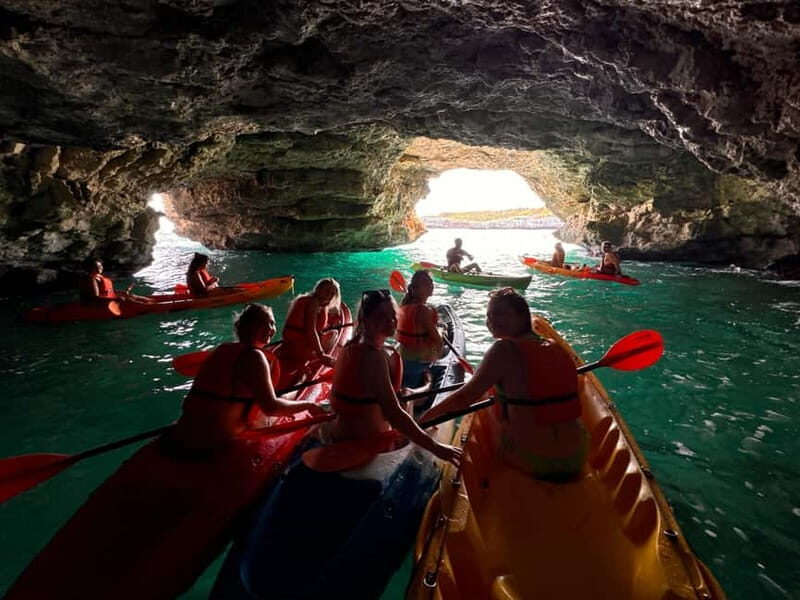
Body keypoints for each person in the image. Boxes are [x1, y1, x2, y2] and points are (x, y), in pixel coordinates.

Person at [421, 288, 587, 482]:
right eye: (489, 315)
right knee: (497, 394)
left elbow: (464, 399)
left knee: (487, 403)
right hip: (577, 455)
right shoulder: (554, 346)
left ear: (522, 316)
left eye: (499, 314)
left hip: (535, 460)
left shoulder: (502, 349)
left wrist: (424, 419)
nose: (491, 321)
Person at [323, 289, 462, 465]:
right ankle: (426, 390)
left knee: (406, 394)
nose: (390, 321)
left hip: (339, 434)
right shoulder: (373, 356)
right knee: (408, 399)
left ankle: (423, 389)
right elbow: (393, 413)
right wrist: (436, 447)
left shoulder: (350, 347)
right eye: (381, 316)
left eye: (393, 315)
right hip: (370, 443)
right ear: (366, 319)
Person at [170, 303, 325, 453]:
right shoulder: (255, 356)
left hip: (185, 433)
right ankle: (300, 379)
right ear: (246, 327)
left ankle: (299, 379)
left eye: (272, 323)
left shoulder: (222, 350)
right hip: (213, 442)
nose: (270, 329)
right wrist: (308, 405)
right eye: (262, 324)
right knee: (283, 396)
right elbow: (271, 408)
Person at [276, 278, 341, 386]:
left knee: (331, 333)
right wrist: (321, 355)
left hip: (289, 345)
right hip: (298, 348)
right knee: (334, 334)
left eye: (332, 293)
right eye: (327, 290)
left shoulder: (309, 300)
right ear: (319, 289)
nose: (329, 295)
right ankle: (311, 363)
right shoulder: (314, 302)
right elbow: (310, 331)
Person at [396, 270, 443, 389]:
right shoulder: (423, 311)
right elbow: (438, 342)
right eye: (426, 283)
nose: (431, 286)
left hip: (403, 362)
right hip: (419, 365)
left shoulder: (404, 306)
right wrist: (442, 331)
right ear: (415, 289)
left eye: (431, 282)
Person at [78, 259, 148, 304]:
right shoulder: (91, 279)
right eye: (96, 266)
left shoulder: (99, 277)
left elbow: (107, 291)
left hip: (104, 300)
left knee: (132, 296)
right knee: (129, 300)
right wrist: (115, 300)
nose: (100, 268)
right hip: (94, 303)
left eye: (100, 266)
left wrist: (120, 293)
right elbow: (95, 298)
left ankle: (149, 301)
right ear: (91, 268)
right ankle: (149, 305)